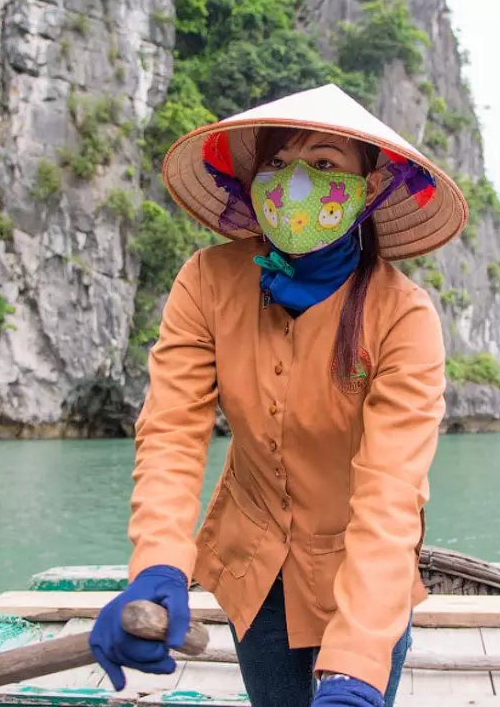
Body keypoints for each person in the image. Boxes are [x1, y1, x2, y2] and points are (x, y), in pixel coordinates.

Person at [88, 84, 469, 707]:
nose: (295, 186)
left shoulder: (403, 316)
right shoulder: (207, 281)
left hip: (364, 575)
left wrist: (357, 664)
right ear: (254, 177)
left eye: (324, 166)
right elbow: (171, 433)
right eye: (277, 164)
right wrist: (156, 566)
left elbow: (391, 493)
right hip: (252, 565)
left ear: (369, 189)